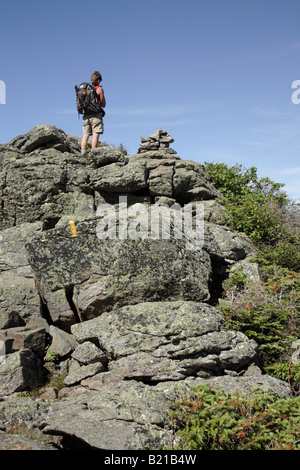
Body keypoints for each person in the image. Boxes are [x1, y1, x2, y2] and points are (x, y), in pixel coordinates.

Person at [81, 71, 106, 155]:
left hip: (86, 115)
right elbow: (103, 104)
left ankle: (82, 153)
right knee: (95, 134)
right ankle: (93, 152)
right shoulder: (99, 89)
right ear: (98, 80)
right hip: (95, 115)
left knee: (85, 134)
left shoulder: (85, 89)